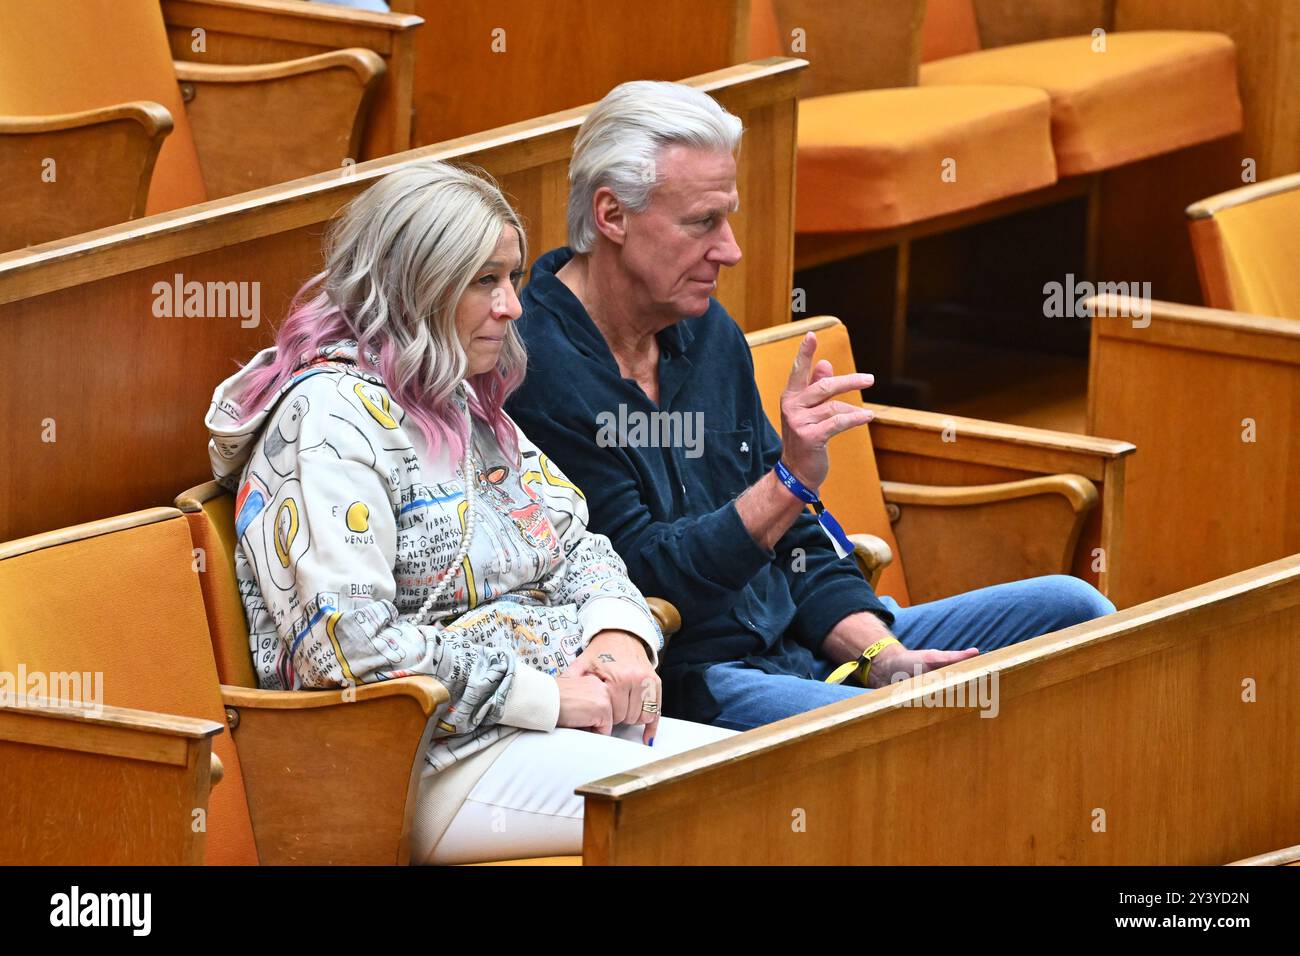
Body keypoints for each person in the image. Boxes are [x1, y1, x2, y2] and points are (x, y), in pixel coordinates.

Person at [506, 81, 1116, 731]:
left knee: (1075, 609)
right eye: (702, 222)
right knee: (898, 728)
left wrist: (881, 653)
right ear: (612, 215)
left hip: (801, 643)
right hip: (697, 678)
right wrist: (787, 483)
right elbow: (643, 580)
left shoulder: (705, 328)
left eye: (729, 216)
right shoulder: (533, 371)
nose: (731, 249)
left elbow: (795, 538)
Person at [204, 159, 734, 864]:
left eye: (511, 277)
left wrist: (617, 639)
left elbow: (579, 545)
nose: (513, 306)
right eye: (484, 280)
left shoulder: (458, 395)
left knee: (773, 775)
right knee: (731, 802)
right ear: (413, 284)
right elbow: (348, 652)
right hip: (423, 763)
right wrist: (549, 698)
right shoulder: (328, 418)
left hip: (543, 729)